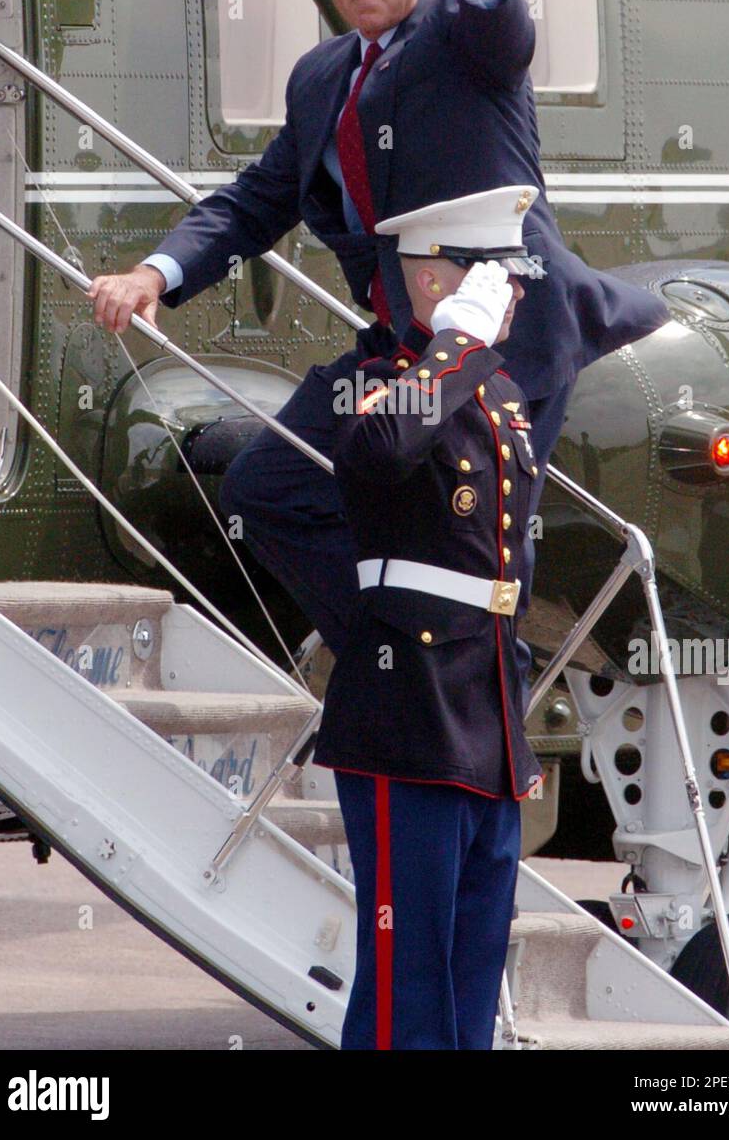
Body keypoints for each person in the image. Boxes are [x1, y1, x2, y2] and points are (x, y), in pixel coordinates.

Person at [87, 0, 669, 655]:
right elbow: (261, 197)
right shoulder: (321, 76)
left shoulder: (460, 38)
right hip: (401, 340)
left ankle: (481, 695)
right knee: (269, 487)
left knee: (482, 534)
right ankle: (387, 660)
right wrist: (155, 272)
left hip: (505, 335)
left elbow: (506, 32)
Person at [313, 184, 552, 1050]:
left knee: (469, 979)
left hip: (484, 717)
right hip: (407, 710)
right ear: (430, 282)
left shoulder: (496, 394)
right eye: (491, 277)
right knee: (405, 986)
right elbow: (380, 451)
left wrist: (465, 356)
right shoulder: (375, 382)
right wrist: (454, 343)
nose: (513, 294)